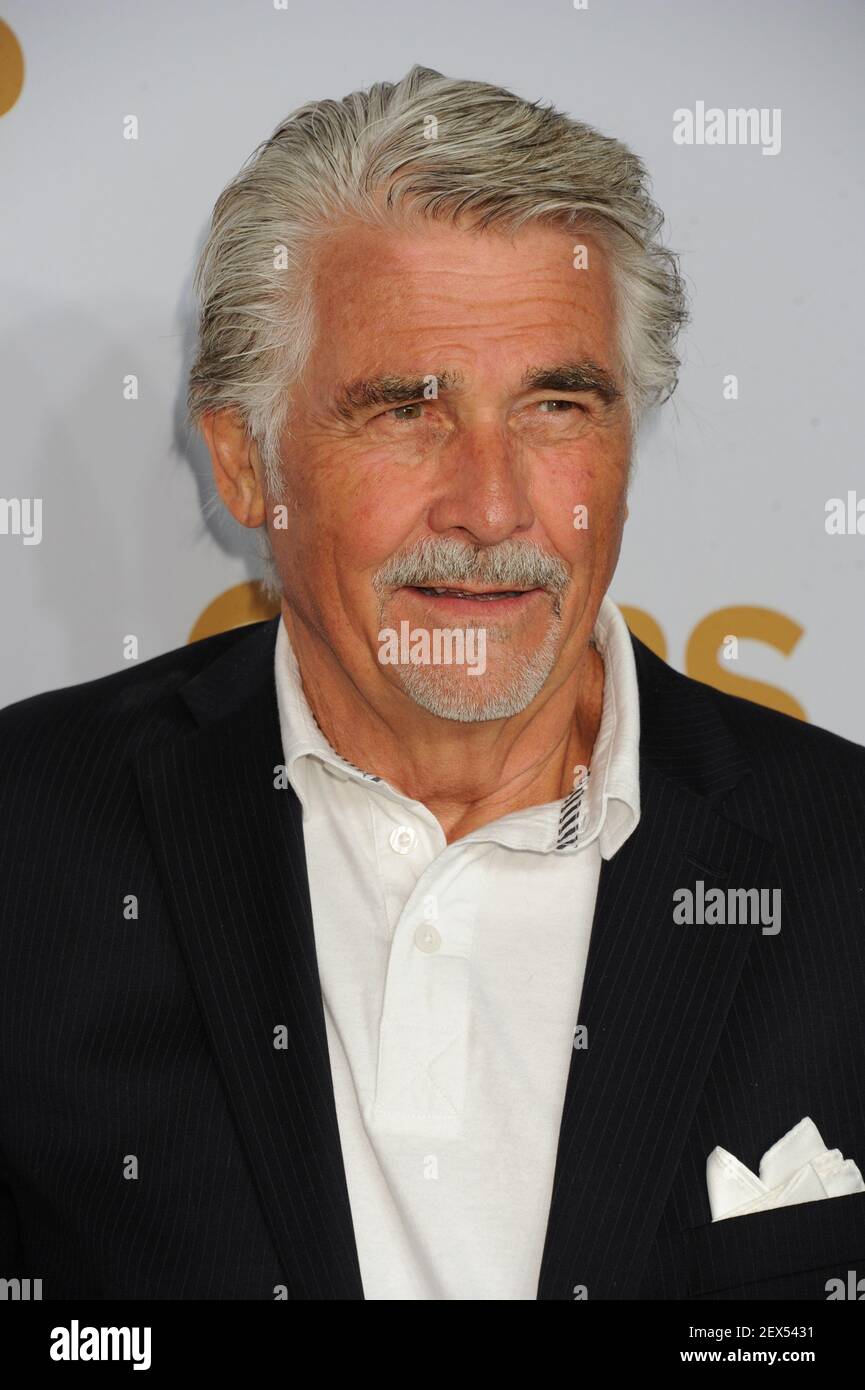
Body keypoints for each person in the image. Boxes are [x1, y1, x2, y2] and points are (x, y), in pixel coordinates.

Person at [2, 65, 864, 1301]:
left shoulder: (842, 861)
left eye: (558, 404)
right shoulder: (28, 838)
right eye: (407, 411)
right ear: (247, 466)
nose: (494, 507)